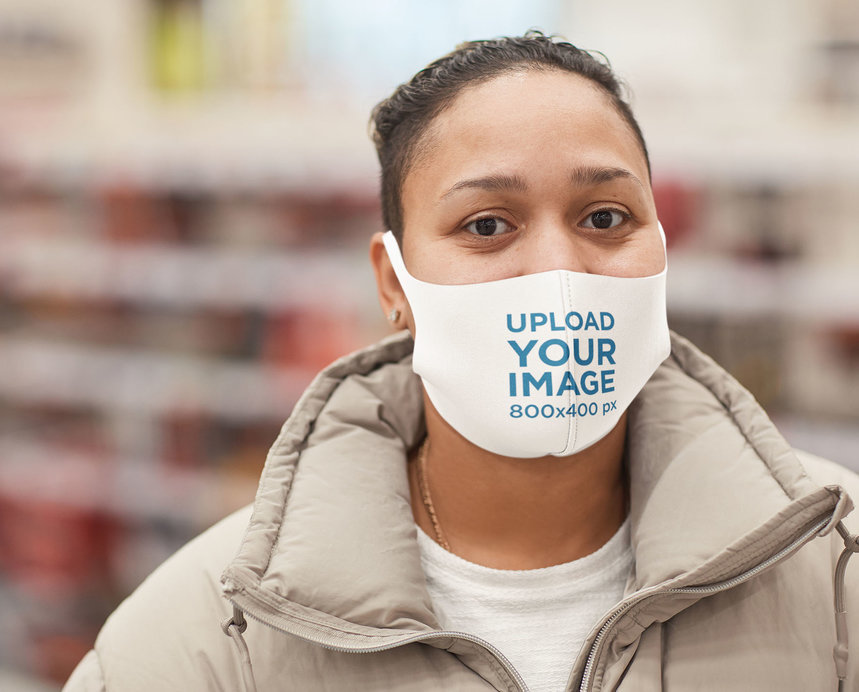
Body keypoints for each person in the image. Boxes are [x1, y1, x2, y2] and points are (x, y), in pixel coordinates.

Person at [64, 32, 859, 691]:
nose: (560, 272)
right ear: (392, 283)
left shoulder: (835, 566)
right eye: (485, 225)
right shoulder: (201, 639)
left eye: (606, 216)